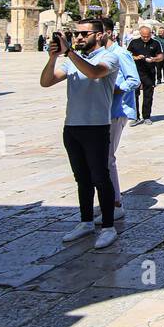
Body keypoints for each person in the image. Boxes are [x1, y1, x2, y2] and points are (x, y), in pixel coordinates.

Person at [42, 20, 121, 249]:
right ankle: (86, 221)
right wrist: (53, 58)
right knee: (82, 179)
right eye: (75, 34)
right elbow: (46, 82)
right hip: (72, 126)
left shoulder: (108, 57)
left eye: (83, 34)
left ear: (98, 35)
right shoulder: (72, 62)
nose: (77, 37)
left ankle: (108, 226)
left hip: (96, 127)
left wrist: (70, 52)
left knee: (100, 177)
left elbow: (95, 73)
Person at [101, 27, 140, 222]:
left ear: (106, 32)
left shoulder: (120, 54)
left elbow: (134, 80)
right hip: (100, 112)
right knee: (101, 159)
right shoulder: (99, 55)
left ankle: (116, 203)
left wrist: (114, 89)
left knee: (107, 158)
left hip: (117, 111)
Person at [128, 25, 164, 123]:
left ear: (151, 34)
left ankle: (147, 116)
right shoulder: (134, 43)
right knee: (134, 94)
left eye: (147, 36)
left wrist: (154, 59)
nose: (145, 38)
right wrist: (136, 57)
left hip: (150, 73)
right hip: (136, 72)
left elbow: (161, 56)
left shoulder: (155, 43)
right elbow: (127, 56)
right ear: (140, 34)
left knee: (148, 95)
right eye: (143, 36)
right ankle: (135, 117)